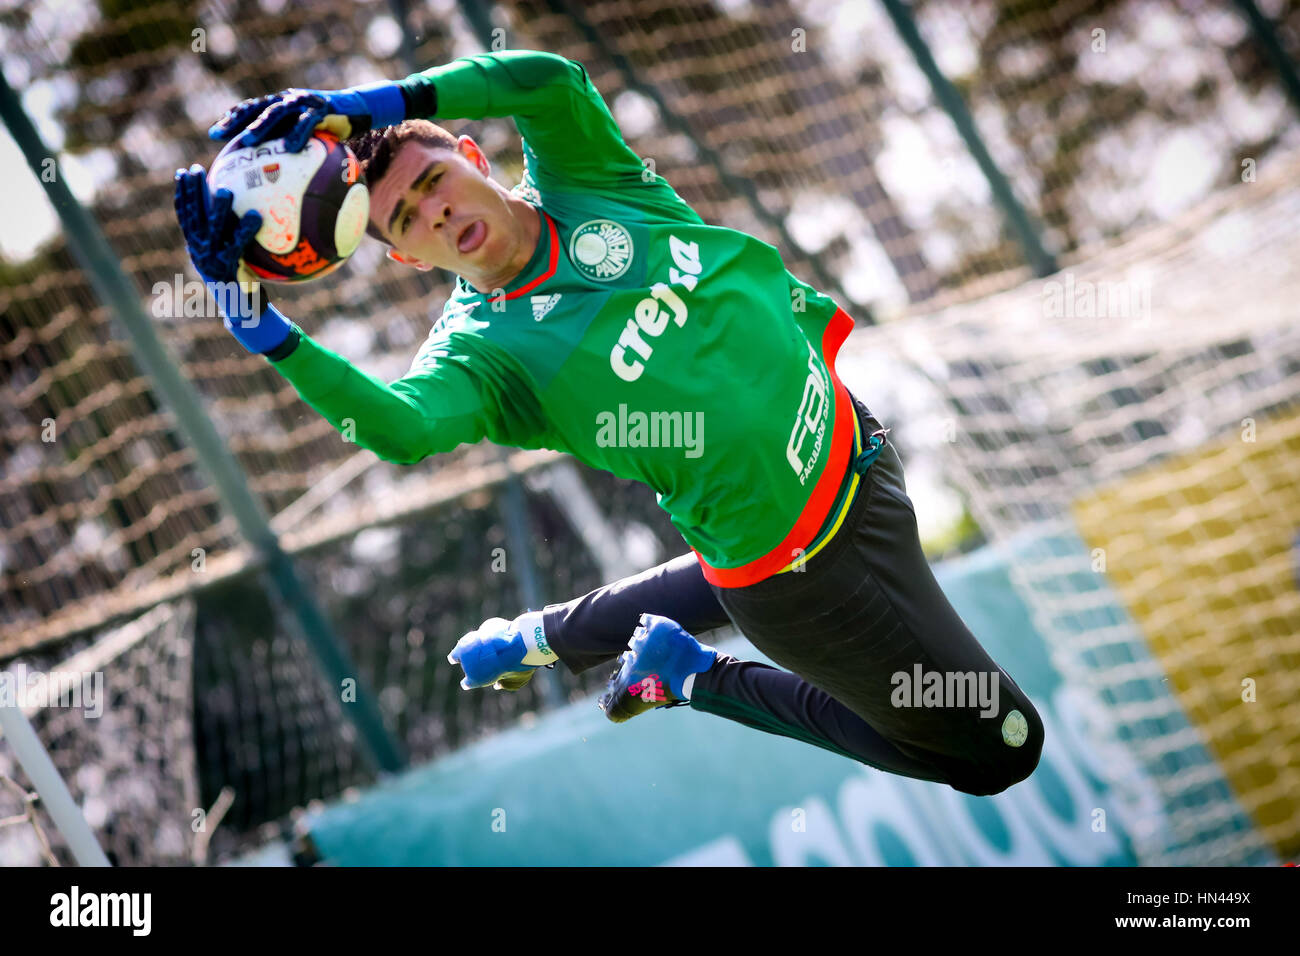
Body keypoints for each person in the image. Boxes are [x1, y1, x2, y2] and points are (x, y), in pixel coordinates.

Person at [176, 50, 1042, 796]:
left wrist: (371, 105)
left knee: (966, 726)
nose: (435, 212)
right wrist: (266, 332)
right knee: (1000, 747)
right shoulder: (484, 355)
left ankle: (557, 636)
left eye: (436, 181)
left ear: (475, 156)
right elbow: (401, 428)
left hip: (863, 456)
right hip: (801, 579)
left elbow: (547, 80)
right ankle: (695, 678)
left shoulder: (585, 178)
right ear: (403, 253)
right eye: (407, 219)